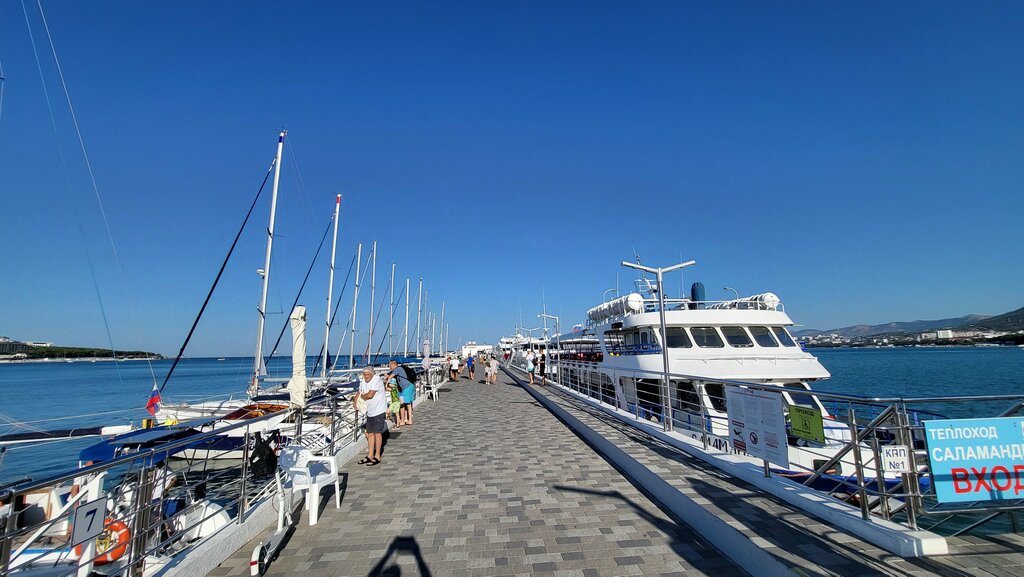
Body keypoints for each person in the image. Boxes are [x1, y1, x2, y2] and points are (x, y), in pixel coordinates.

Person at [354, 367, 386, 466]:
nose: (366, 376)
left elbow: (370, 395)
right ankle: (370, 455)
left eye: (368, 375)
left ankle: (377, 456)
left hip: (379, 410)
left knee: (377, 433)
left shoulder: (376, 380)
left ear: (372, 374)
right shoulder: (363, 381)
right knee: (370, 433)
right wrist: (355, 401)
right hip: (370, 411)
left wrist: (363, 396)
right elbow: (359, 392)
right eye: (365, 374)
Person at [386, 359, 415, 426]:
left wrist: (386, 383)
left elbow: (391, 376)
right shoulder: (400, 369)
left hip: (406, 387)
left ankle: (403, 420)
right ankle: (407, 419)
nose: (389, 367)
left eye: (389, 365)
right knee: (408, 404)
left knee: (402, 403)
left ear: (393, 364)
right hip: (410, 385)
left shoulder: (398, 369)